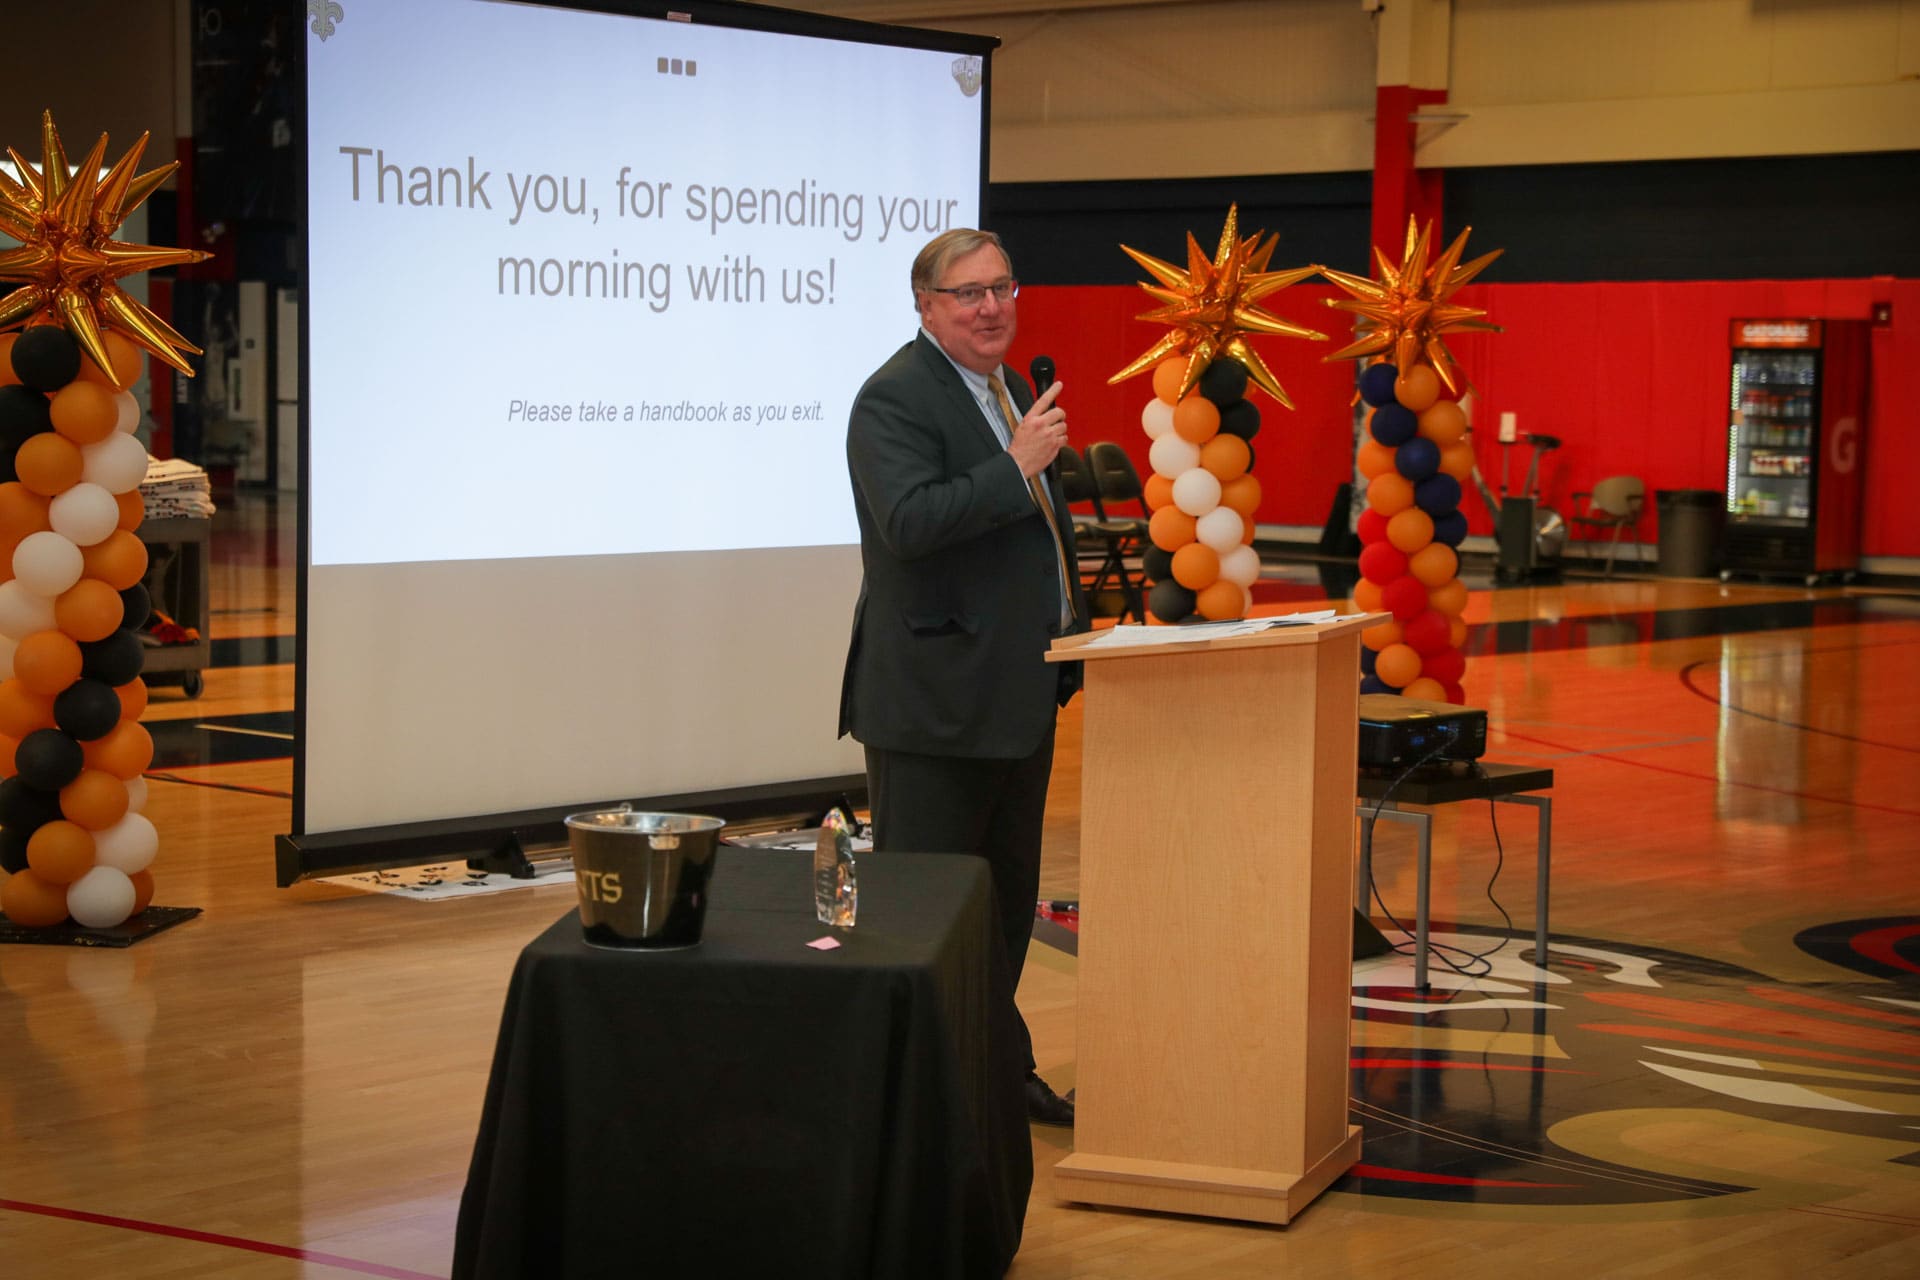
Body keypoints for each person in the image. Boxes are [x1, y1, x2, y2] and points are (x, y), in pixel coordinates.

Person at [839, 228, 1086, 1127]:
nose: (991, 308)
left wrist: (1077, 628)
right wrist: (1015, 464)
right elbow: (909, 523)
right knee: (926, 915)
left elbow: (1036, 533)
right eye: (967, 294)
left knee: (1004, 909)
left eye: (1001, 288)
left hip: (1018, 694)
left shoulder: (1004, 387)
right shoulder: (894, 398)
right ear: (926, 306)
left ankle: (992, 1072)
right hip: (935, 707)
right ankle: (914, 1098)